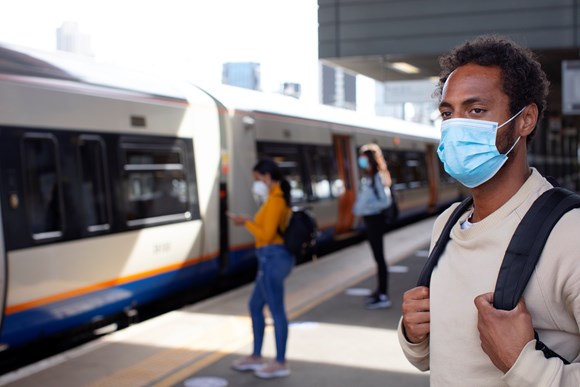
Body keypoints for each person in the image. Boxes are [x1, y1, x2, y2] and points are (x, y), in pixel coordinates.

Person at [398, 34, 580, 386]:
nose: (456, 125)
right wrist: (413, 334)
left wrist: (523, 364)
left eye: (476, 110)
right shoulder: (447, 224)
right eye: (448, 113)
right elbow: (440, 359)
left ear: (525, 120)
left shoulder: (570, 233)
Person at [228, 159, 294, 379]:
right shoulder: (272, 199)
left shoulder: (276, 200)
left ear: (267, 176)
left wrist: (246, 222)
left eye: (257, 178)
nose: (257, 183)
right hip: (269, 259)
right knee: (255, 305)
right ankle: (256, 356)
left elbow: (265, 235)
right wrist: (248, 220)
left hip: (273, 258)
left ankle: (280, 362)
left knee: (276, 311)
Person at [353, 143, 393, 309]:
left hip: (375, 220)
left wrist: (368, 208)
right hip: (371, 220)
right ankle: (379, 292)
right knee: (378, 258)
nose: (360, 161)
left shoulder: (376, 178)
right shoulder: (371, 178)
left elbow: (386, 201)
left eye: (363, 157)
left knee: (380, 259)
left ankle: (383, 295)